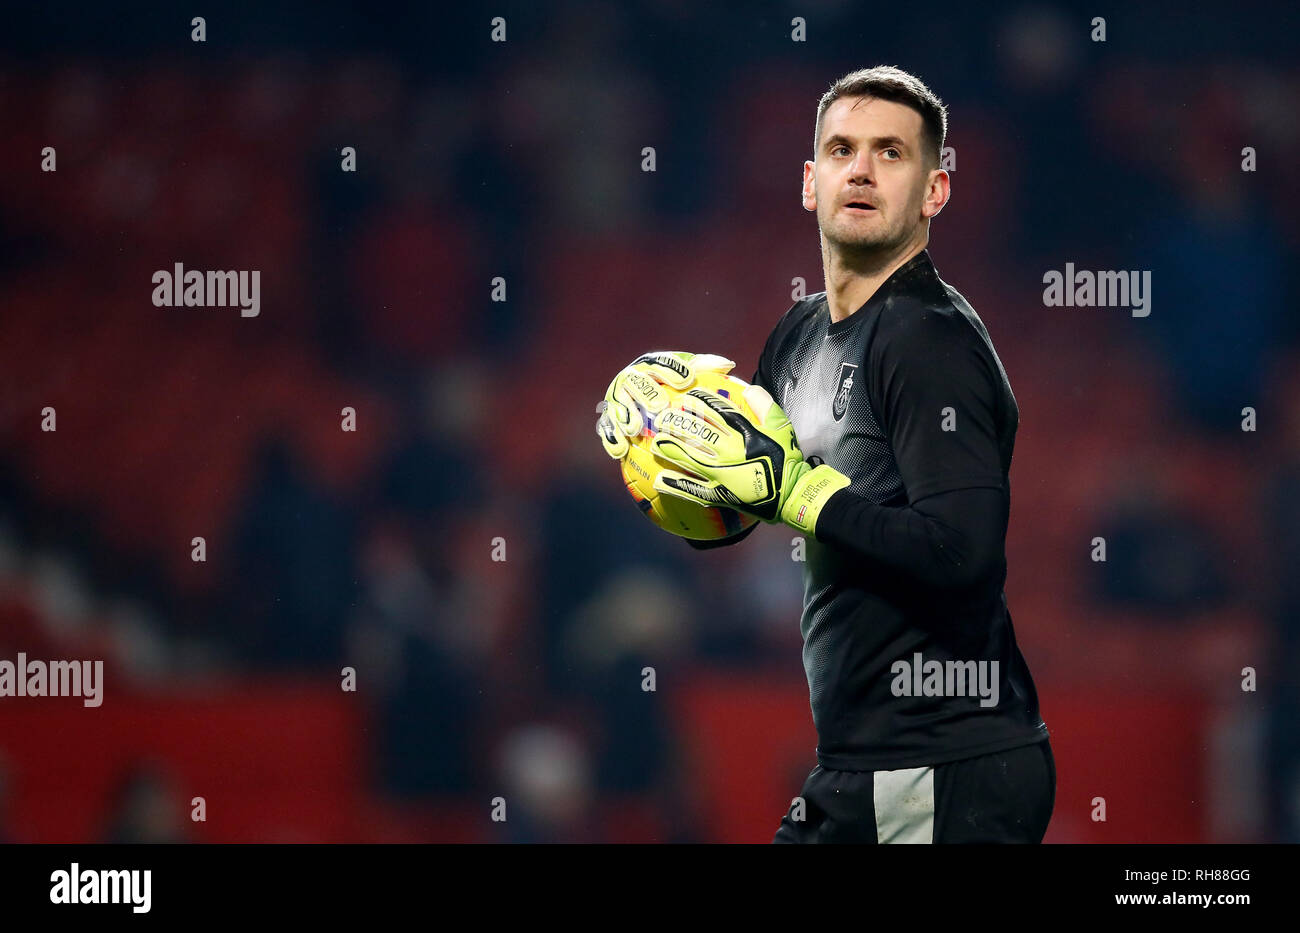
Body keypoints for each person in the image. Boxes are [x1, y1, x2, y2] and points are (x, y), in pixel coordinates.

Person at [599, 66, 1053, 843]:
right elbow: (749, 497)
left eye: (891, 153)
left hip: (940, 766)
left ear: (934, 192)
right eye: (842, 148)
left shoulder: (927, 340)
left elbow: (962, 551)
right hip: (866, 767)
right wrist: (665, 456)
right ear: (811, 182)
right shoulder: (800, 333)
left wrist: (805, 497)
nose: (862, 169)